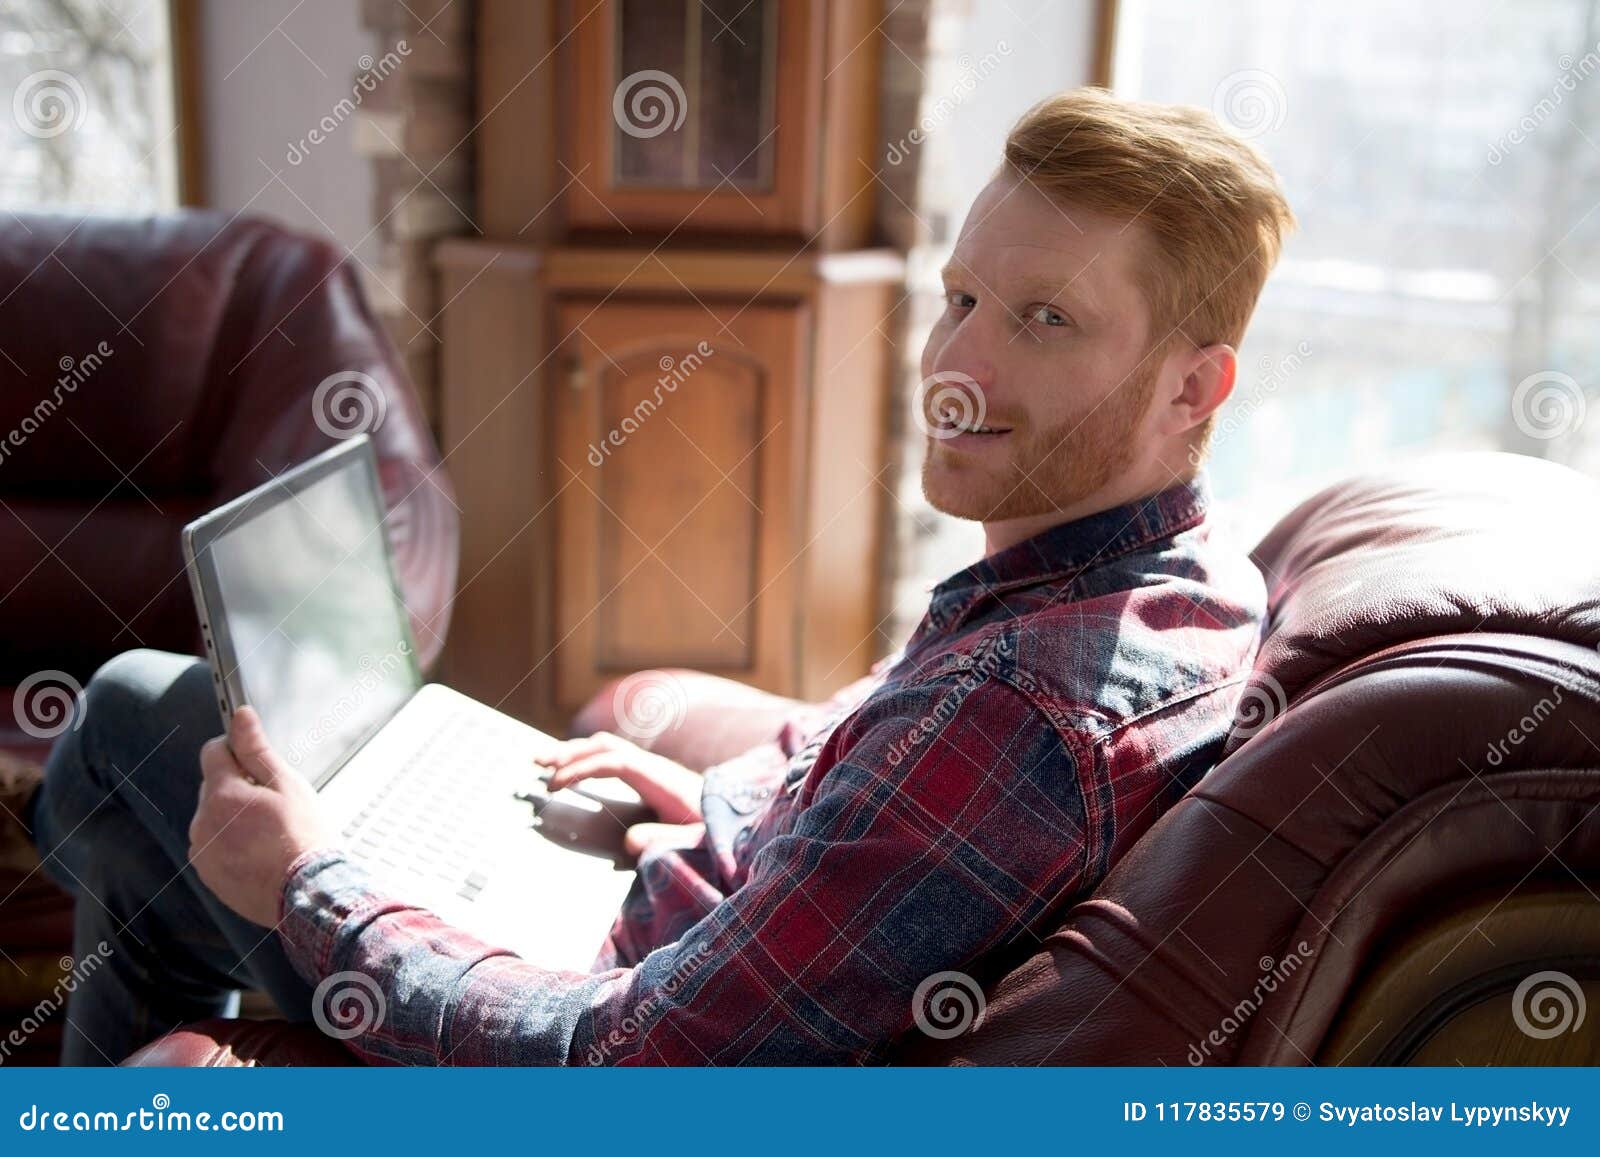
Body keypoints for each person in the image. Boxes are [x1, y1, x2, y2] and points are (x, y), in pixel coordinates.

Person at [3, 88, 1293, 1065]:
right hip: (646, 905)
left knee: (131, 720)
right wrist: (715, 805)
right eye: (960, 299)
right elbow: (868, 830)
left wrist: (305, 885)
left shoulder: (1020, 710)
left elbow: (621, 1066)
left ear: (1195, 384)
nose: (959, 363)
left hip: (582, 1006)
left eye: (1044, 320)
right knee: (164, 818)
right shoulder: (1174, 582)